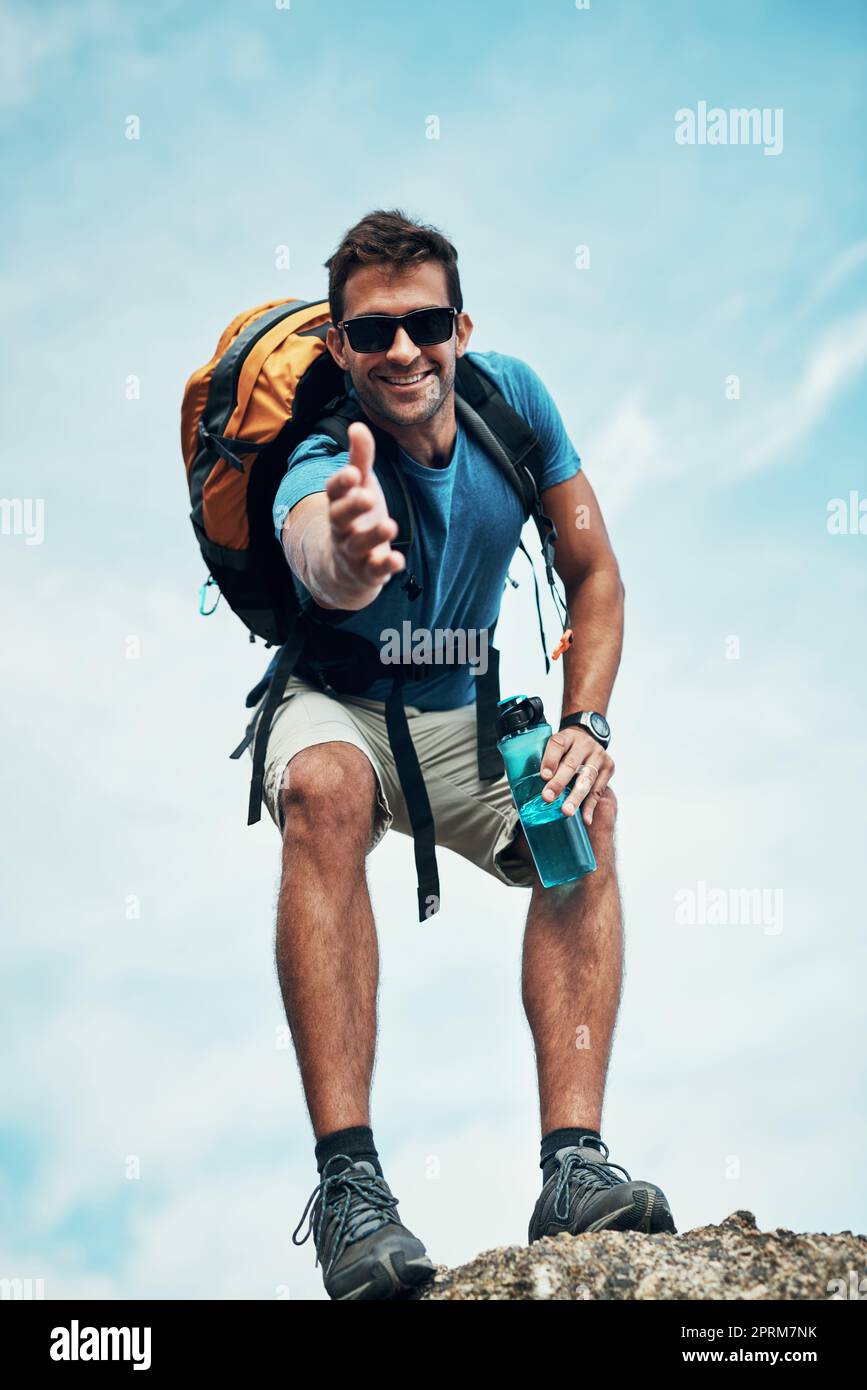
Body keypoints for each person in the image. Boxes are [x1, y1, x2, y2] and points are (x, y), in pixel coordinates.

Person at [250, 209, 676, 1300]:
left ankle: (573, 1165)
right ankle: (352, 1191)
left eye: (424, 324)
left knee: (586, 818)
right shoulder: (320, 451)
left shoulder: (513, 403)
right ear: (340, 346)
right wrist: (345, 544)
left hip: (460, 713)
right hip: (337, 704)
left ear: (461, 326)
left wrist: (587, 722)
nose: (402, 351)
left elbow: (597, 578)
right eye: (373, 332)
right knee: (322, 789)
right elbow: (318, 552)